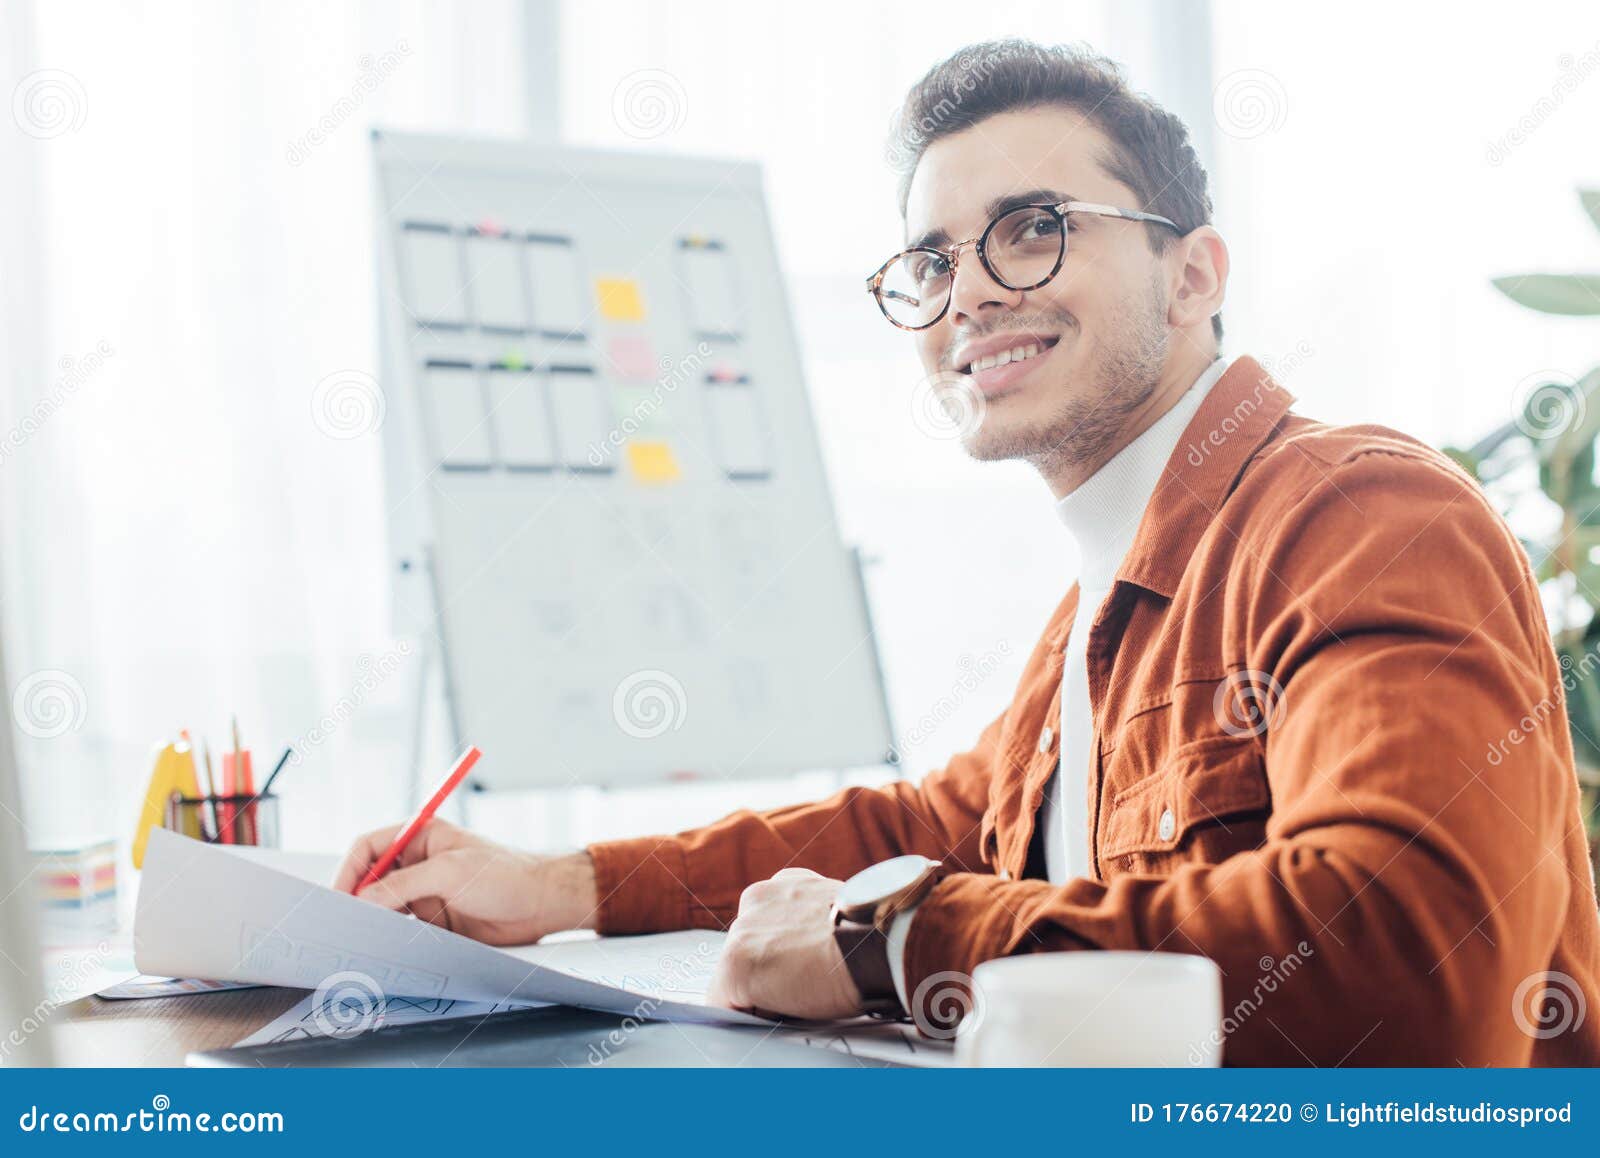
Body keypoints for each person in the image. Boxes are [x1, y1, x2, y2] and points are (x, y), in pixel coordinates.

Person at [336, 39, 1600, 1065]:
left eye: (1033, 227)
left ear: (1192, 275)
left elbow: (1407, 957)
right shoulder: (1101, 605)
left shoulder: (1361, 517)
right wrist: (560, 886)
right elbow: (932, 822)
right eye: (931, 262)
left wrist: (892, 942)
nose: (971, 295)